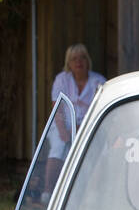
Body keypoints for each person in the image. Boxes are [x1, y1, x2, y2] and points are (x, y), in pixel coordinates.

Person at [43, 44, 106, 200]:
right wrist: (64, 132)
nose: (79, 62)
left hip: (90, 125)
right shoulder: (61, 79)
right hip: (62, 123)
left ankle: (92, 194)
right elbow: (56, 108)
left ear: (88, 60)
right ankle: (47, 191)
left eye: (82, 58)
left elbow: (100, 108)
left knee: (96, 151)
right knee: (58, 147)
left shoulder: (98, 81)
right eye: (74, 59)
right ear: (68, 63)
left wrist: (80, 129)